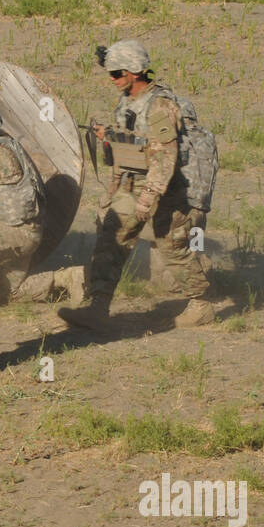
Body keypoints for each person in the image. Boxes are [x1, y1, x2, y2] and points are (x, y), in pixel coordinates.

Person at [59, 40, 216, 330]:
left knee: (172, 245)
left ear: (134, 72)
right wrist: (110, 137)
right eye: (110, 73)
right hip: (133, 183)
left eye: (117, 73)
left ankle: (201, 303)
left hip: (165, 187)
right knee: (111, 238)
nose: (112, 79)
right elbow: (134, 144)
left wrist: (149, 196)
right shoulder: (126, 102)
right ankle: (98, 307)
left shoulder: (160, 106)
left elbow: (165, 156)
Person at [0, 101, 85, 309]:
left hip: (13, 233)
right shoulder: (6, 145)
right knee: (7, 294)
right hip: (21, 232)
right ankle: (66, 278)